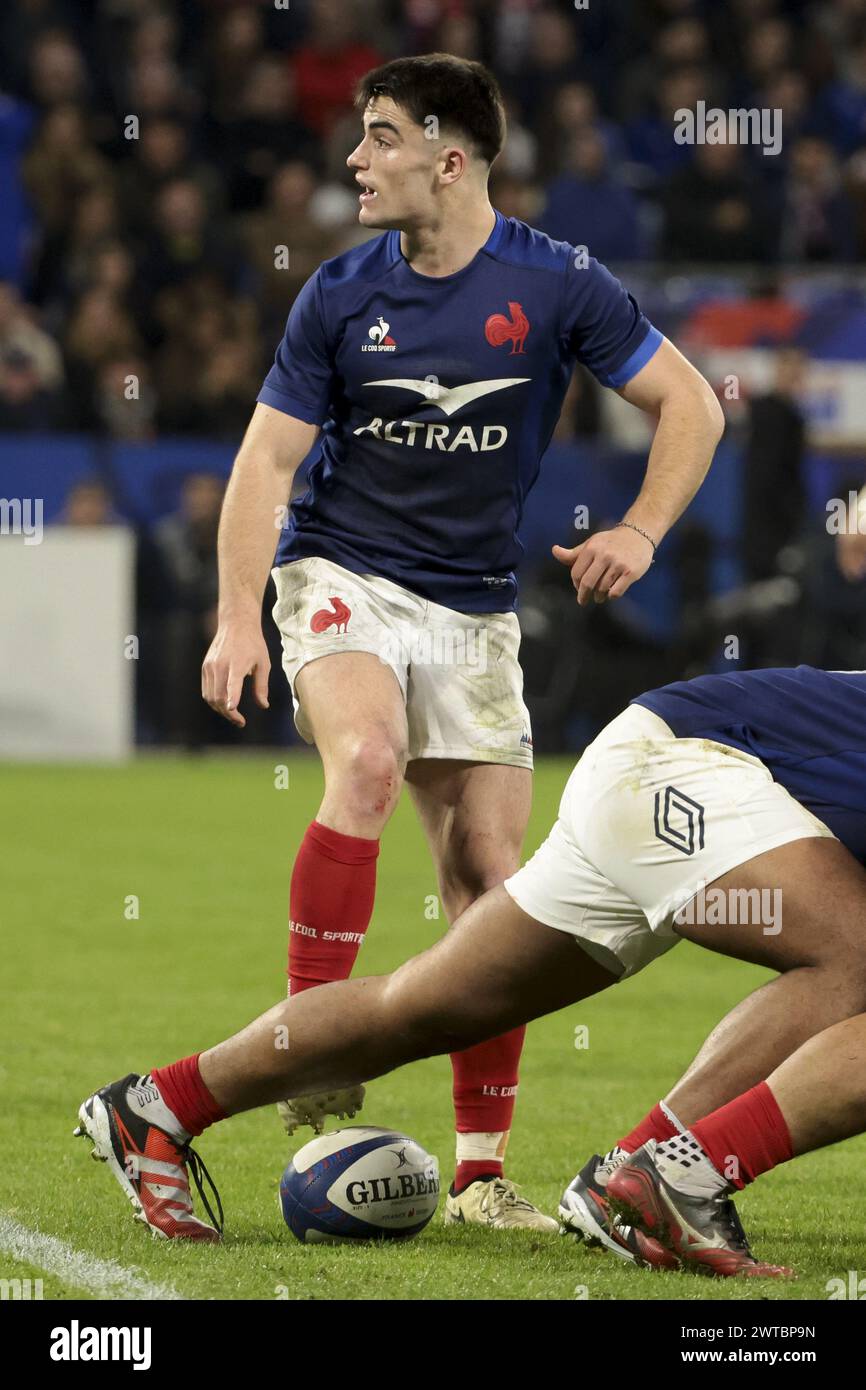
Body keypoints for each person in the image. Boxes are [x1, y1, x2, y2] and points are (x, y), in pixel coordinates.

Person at [199, 52, 723, 1230]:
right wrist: (240, 612)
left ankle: (483, 1174)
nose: (354, 161)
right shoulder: (336, 293)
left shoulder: (558, 284)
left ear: (449, 157)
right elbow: (266, 463)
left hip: (473, 606)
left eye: (378, 137)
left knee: (493, 887)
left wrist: (639, 529)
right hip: (339, 572)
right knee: (369, 761)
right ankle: (308, 1047)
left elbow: (690, 401)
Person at [77, 664, 866, 1275]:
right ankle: (669, 1180)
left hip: (652, 769)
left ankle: (158, 1105)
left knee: (421, 1006)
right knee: (857, 956)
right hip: (689, 768)